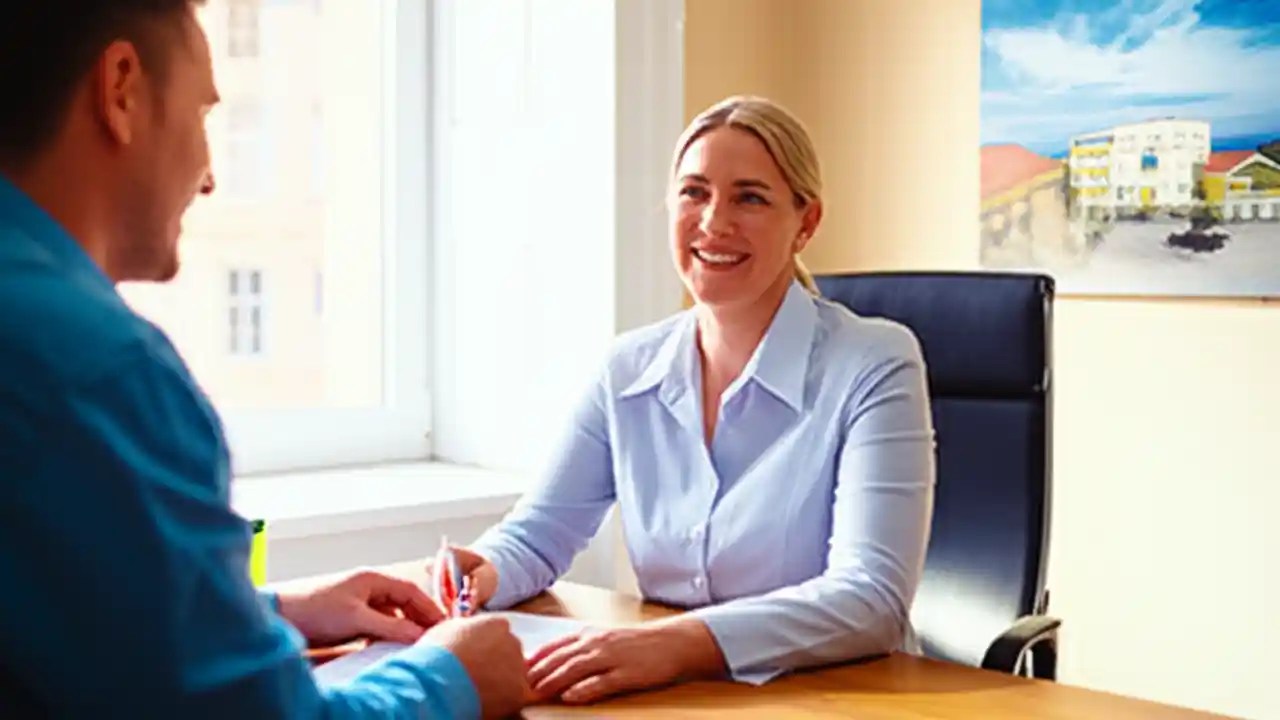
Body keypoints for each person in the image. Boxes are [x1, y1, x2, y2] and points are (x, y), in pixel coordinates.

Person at [0, 2, 527, 717]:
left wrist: (270, 609)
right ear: (121, 89)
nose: (210, 175)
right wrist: (452, 678)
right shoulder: (95, 370)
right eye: (202, 113)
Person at [446, 96, 937, 704]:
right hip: (678, 699)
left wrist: (676, 644)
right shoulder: (627, 368)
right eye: (694, 192)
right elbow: (539, 534)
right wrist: (479, 572)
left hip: (841, 699)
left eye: (749, 197)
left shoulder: (874, 363)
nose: (713, 222)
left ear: (806, 222)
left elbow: (871, 597)